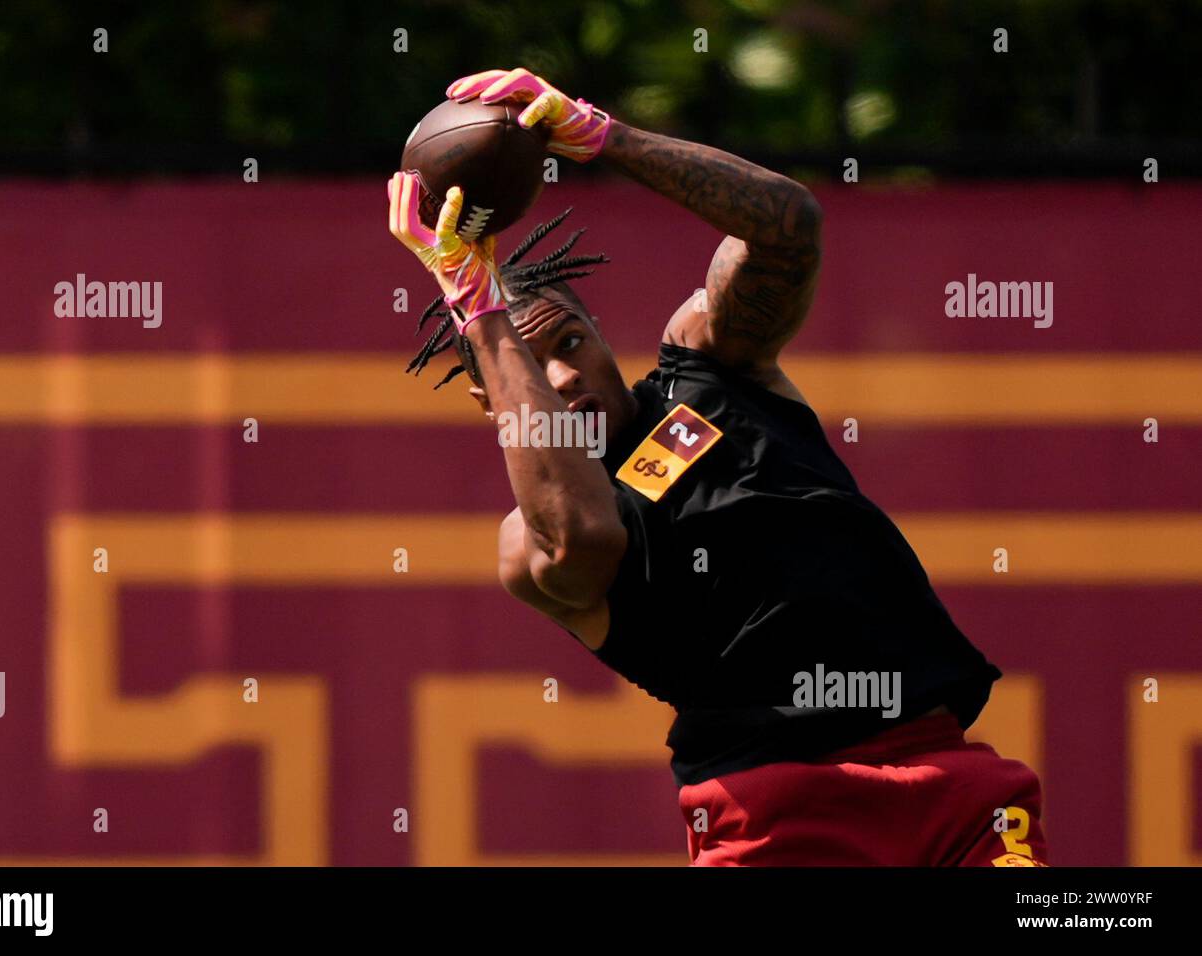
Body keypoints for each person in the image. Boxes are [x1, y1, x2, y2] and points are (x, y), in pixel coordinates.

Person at [388, 67, 1048, 866]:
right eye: (530, 366)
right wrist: (474, 302)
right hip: (776, 817)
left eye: (570, 343)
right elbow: (585, 537)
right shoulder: (530, 547)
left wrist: (606, 137)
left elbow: (788, 228)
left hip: (951, 785)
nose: (563, 378)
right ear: (497, 401)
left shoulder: (709, 368)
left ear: (602, 336)